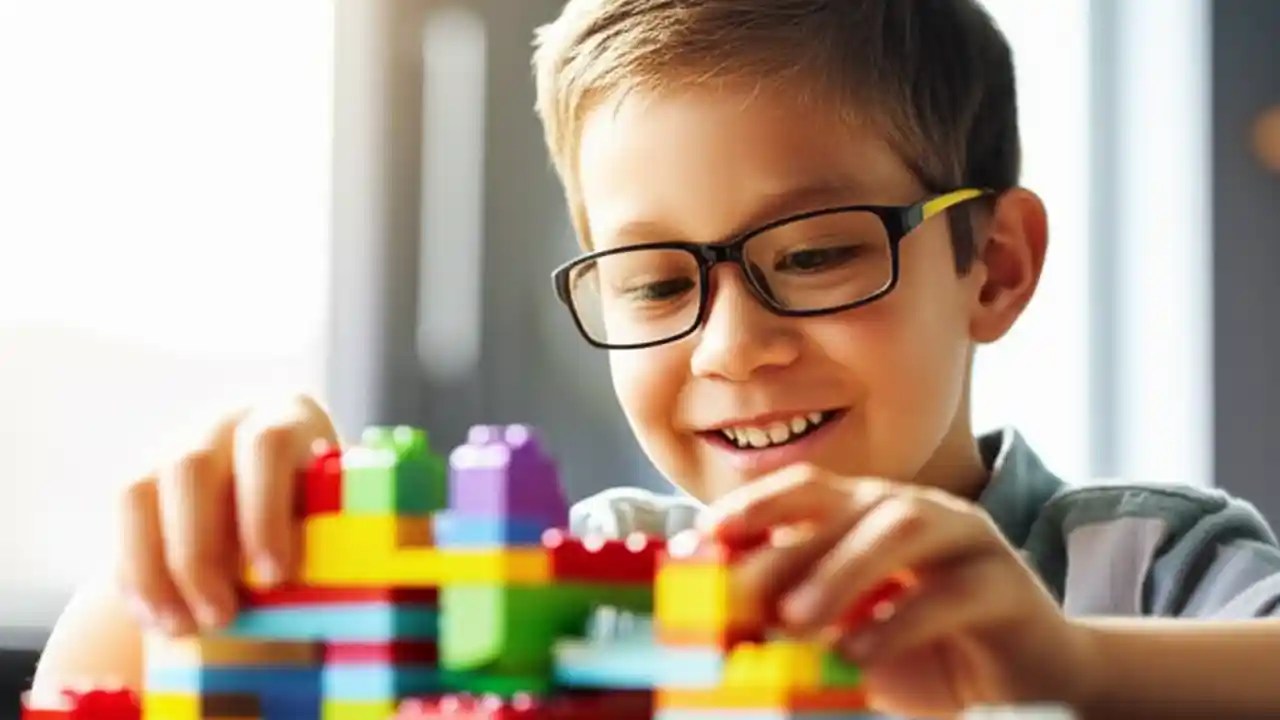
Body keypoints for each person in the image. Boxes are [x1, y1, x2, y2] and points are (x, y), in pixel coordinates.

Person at [30, 1, 1280, 717]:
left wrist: (1068, 663)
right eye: (655, 283)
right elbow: (101, 682)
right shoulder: (576, 589)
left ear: (992, 267)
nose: (731, 347)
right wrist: (215, 552)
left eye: (814, 255)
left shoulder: (1148, 568)